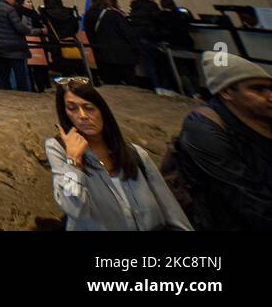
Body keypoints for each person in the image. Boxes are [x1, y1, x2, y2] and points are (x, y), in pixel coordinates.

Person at [44, 78, 190, 230]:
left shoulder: (135, 154)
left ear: (102, 110)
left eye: (88, 107)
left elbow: (173, 214)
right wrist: (73, 163)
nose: (82, 116)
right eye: (72, 108)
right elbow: (73, 207)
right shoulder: (59, 150)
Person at [170, 52, 272, 230]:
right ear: (226, 92)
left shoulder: (262, 117)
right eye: (258, 89)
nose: (270, 96)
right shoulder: (203, 129)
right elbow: (246, 198)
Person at [84, 0, 139, 86]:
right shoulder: (113, 14)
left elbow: (91, 37)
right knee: (130, 83)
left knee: (111, 83)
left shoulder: (88, 15)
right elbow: (128, 33)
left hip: (104, 55)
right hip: (122, 53)